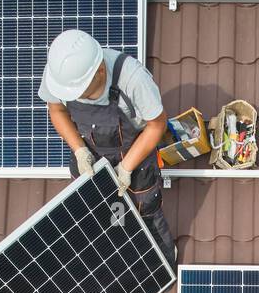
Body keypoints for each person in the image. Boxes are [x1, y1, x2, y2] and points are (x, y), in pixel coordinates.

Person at [39, 29, 177, 263]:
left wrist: (126, 168)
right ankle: (111, 259)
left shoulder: (132, 79)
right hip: (90, 154)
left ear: (101, 71)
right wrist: (79, 150)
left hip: (135, 152)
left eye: (81, 92)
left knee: (145, 207)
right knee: (94, 210)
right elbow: (56, 109)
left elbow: (157, 124)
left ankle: (161, 261)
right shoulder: (61, 74)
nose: (76, 97)